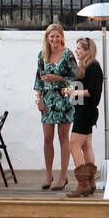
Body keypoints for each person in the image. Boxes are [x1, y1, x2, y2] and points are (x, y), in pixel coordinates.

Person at [34, 23, 77, 190]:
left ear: (62, 37)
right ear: (47, 38)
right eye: (51, 36)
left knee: (63, 138)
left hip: (64, 99)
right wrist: (38, 100)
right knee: (47, 138)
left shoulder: (68, 55)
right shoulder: (42, 55)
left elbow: (76, 78)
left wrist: (57, 78)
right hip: (47, 100)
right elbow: (38, 79)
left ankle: (63, 176)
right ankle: (48, 174)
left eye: (57, 36)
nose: (54, 39)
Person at [64, 36, 103, 198]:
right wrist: (70, 91)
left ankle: (83, 183)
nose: (76, 51)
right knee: (86, 145)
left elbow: (93, 92)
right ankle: (91, 182)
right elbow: (83, 89)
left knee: (73, 145)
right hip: (84, 110)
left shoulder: (93, 66)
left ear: (88, 50)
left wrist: (75, 92)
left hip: (86, 112)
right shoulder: (85, 66)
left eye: (79, 48)